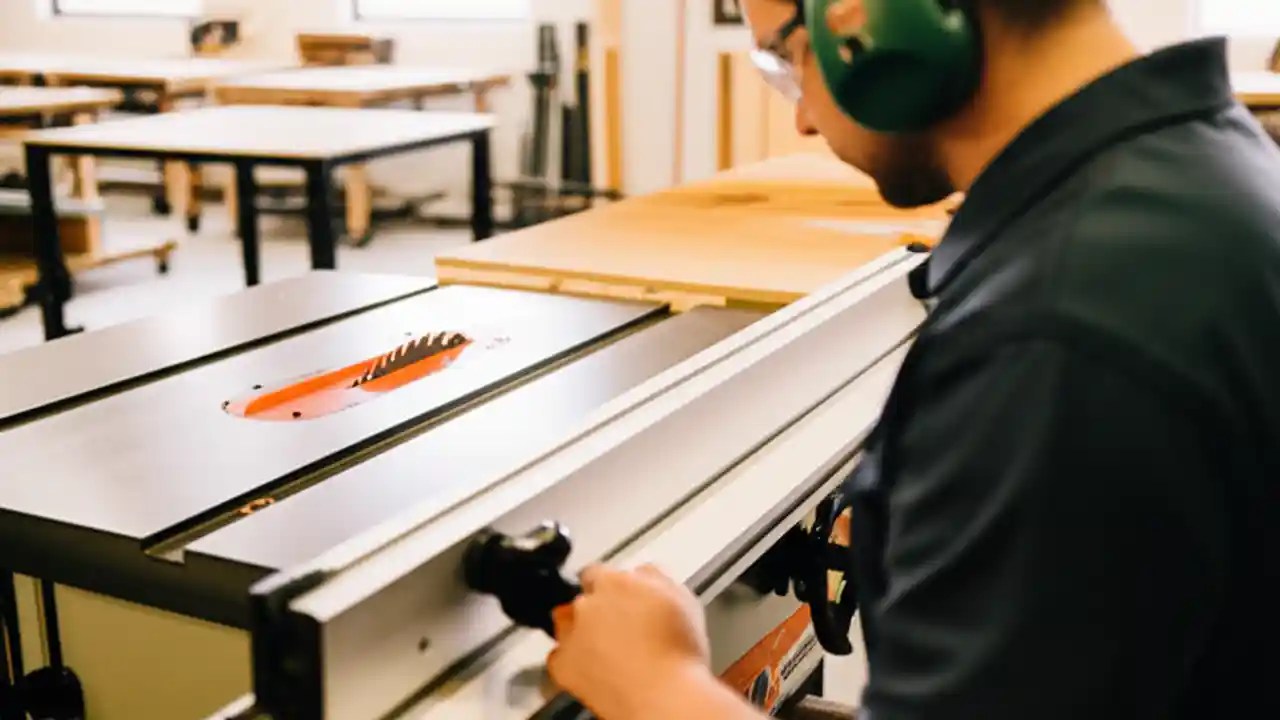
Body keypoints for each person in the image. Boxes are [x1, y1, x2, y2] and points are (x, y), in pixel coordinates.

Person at [547, 1, 1280, 719]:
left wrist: (657, 685)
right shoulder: (1208, 164)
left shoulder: (1053, 335)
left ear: (875, 20)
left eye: (784, 57)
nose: (801, 117)